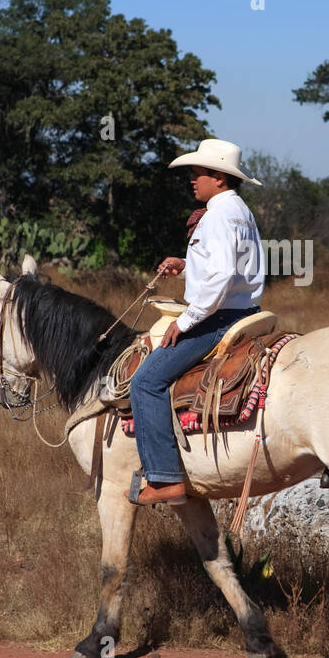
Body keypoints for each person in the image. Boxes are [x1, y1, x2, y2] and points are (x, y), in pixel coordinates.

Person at [125, 139, 265, 506]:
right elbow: (228, 268)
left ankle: (164, 478)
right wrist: (187, 266)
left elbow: (220, 278)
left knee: (145, 382)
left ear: (219, 177)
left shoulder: (218, 215)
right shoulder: (239, 210)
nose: (192, 180)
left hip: (218, 316)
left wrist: (185, 321)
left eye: (198, 173)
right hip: (243, 310)